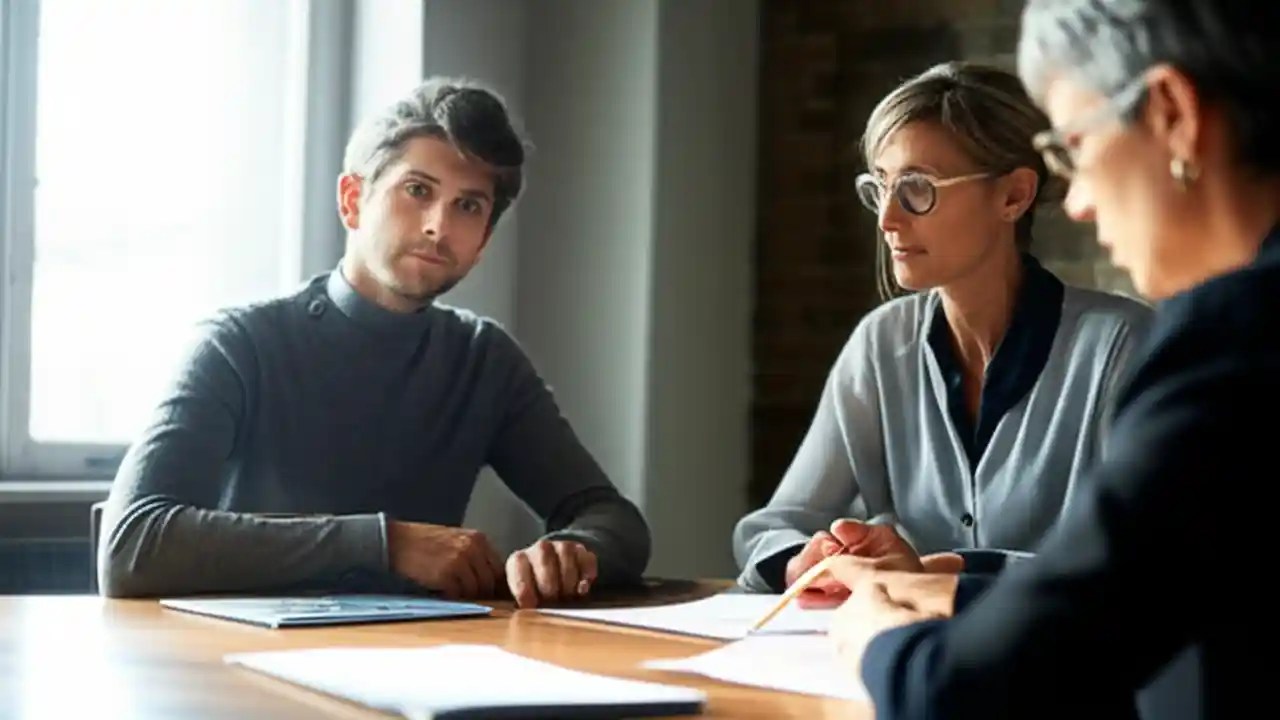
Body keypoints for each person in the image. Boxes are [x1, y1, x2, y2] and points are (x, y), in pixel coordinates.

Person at [825, 1, 1276, 716]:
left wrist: (878, 637)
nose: (1082, 203)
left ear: (1173, 115)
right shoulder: (881, 342)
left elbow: (970, 693)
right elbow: (1151, 599)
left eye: (1076, 146)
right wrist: (960, 590)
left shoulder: (1237, 345)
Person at [97, 77, 651, 608]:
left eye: (469, 206)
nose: (439, 225)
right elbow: (131, 544)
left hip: (419, 667)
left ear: (482, 242)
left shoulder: (483, 360)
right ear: (352, 201)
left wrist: (572, 555)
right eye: (418, 191)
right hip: (238, 669)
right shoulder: (238, 345)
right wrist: (390, 545)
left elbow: (611, 517)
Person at [733, 61, 1152, 602]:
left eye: (916, 189)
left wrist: (950, 569)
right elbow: (775, 526)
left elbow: (1142, 563)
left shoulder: (1121, 347)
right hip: (897, 662)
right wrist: (808, 562)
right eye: (879, 186)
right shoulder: (881, 343)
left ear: (1014, 196)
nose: (886, 218)